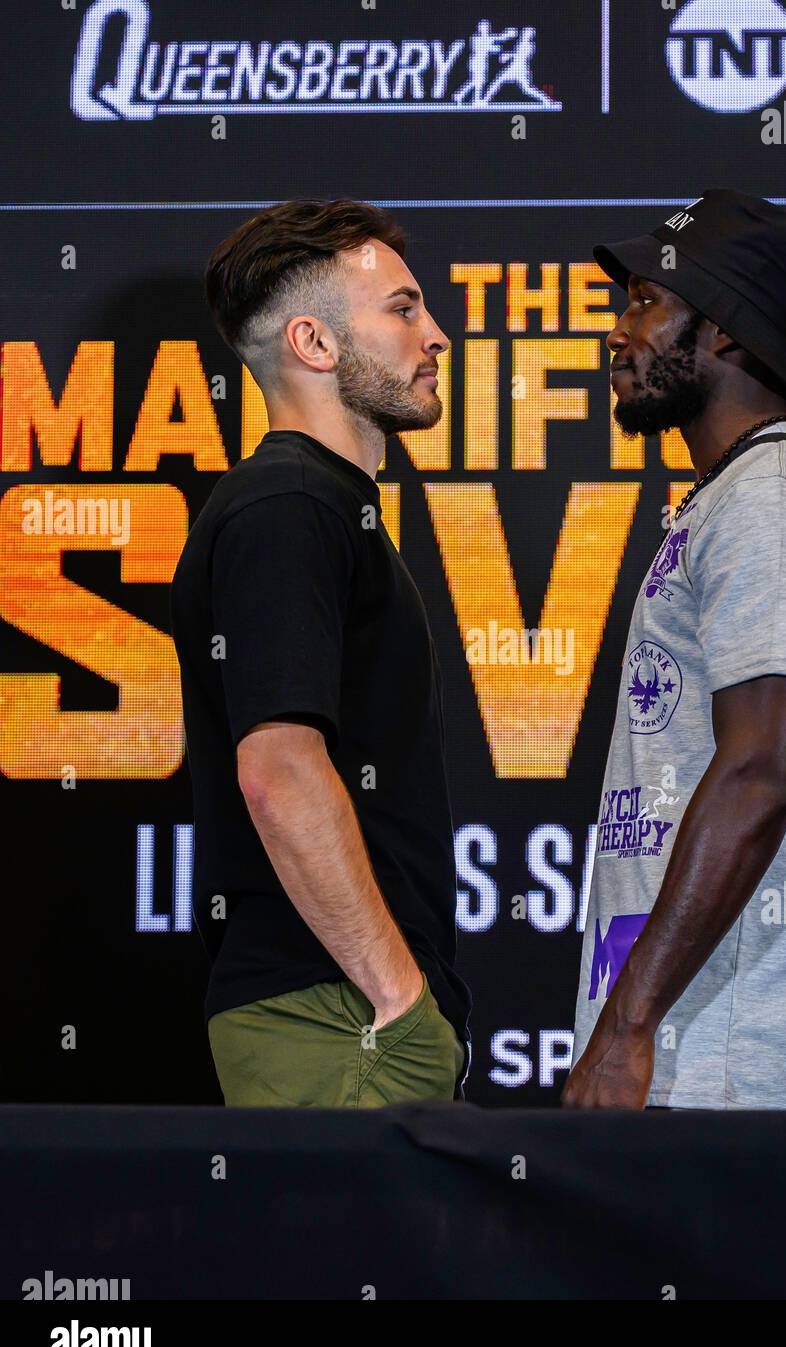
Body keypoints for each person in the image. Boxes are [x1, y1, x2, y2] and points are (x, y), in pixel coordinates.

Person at [564, 189, 786, 1111]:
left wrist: (627, 1029)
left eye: (646, 301)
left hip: (721, 1065)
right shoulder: (736, 497)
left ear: (729, 332)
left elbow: (761, 772)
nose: (619, 333)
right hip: (696, 1052)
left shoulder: (774, 501)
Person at [170, 199, 471, 1107]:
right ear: (315, 341)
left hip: (344, 1014)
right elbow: (280, 771)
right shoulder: (288, 506)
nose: (438, 336)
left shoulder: (321, 506)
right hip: (336, 1019)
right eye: (404, 309)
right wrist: (399, 997)